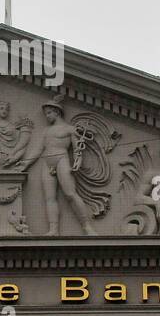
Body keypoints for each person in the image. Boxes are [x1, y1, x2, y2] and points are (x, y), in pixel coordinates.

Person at [15, 96, 98, 236]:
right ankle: (53, 229)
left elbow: (77, 149)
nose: (47, 116)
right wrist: (26, 163)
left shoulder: (69, 129)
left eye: (49, 113)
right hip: (47, 163)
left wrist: (78, 160)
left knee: (70, 194)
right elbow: (38, 149)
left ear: (57, 112)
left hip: (62, 159)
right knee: (50, 198)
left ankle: (87, 226)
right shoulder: (46, 131)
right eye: (46, 113)